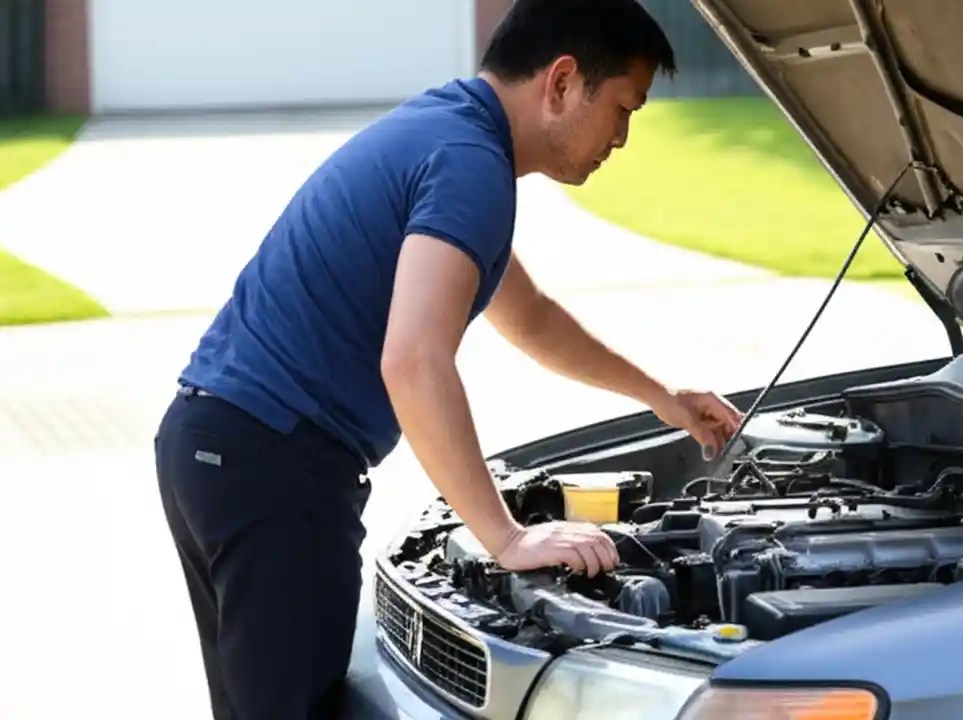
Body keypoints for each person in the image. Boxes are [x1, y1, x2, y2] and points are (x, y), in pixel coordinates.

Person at [152, 0, 743, 718]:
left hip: (216, 446)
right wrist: (508, 536)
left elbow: (530, 318)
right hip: (273, 464)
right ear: (561, 83)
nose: (621, 137)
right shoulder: (470, 164)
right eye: (623, 107)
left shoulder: (452, 131)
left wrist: (662, 398)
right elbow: (414, 360)